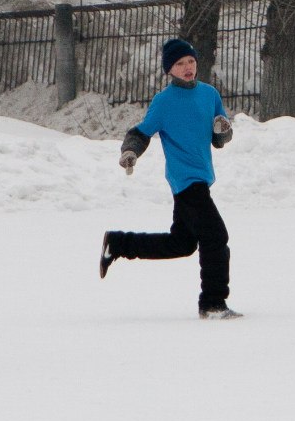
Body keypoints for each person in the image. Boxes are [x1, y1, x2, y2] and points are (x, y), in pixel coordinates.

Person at [99, 38, 241, 320]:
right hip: (186, 180)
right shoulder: (163, 102)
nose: (187, 68)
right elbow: (141, 132)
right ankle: (212, 304)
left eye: (190, 62)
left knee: (183, 243)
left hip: (201, 176)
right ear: (170, 70)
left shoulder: (209, 94)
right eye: (180, 64)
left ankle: (118, 243)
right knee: (215, 236)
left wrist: (223, 130)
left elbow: (219, 138)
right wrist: (130, 151)